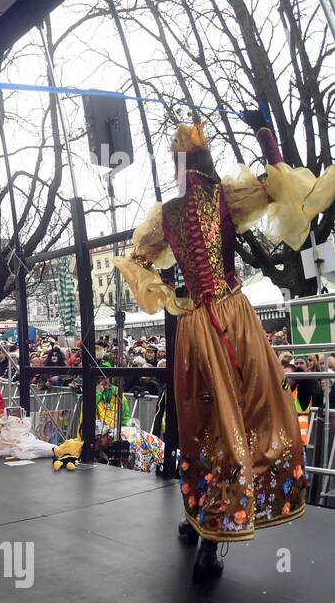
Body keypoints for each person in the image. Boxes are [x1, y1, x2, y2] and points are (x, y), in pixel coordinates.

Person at [116, 123, 326, 579]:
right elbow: (279, 187)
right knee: (241, 416)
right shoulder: (223, 198)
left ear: (178, 168)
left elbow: (137, 261)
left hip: (198, 327)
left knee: (206, 422)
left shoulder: (166, 215)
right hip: (232, 319)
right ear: (205, 161)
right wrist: (270, 142)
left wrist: (172, 293)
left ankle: (204, 521)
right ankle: (211, 531)